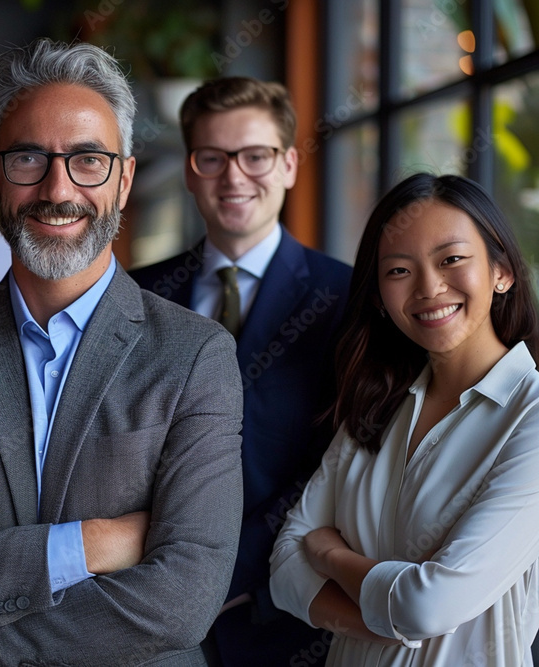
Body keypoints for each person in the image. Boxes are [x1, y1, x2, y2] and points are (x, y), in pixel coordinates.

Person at [0, 38, 243, 666]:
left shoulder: (196, 356)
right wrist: (93, 544)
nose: (58, 188)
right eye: (29, 158)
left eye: (89, 160)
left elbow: (184, 598)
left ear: (124, 179)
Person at [269, 172, 539, 666]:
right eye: (398, 271)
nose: (429, 288)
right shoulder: (376, 403)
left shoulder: (530, 414)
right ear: (377, 296)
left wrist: (331, 556)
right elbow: (285, 572)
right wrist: (387, 623)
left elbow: (428, 604)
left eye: (452, 259)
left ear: (502, 271)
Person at [130, 77, 351, 666]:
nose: (234, 177)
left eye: (255, 156)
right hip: (145, 615)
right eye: (213, 158)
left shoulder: (346, 297)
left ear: (288, 165)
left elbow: (334, 465)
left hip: (285, 618)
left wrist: (219, 573)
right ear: (189, 169)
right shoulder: (135, 297)